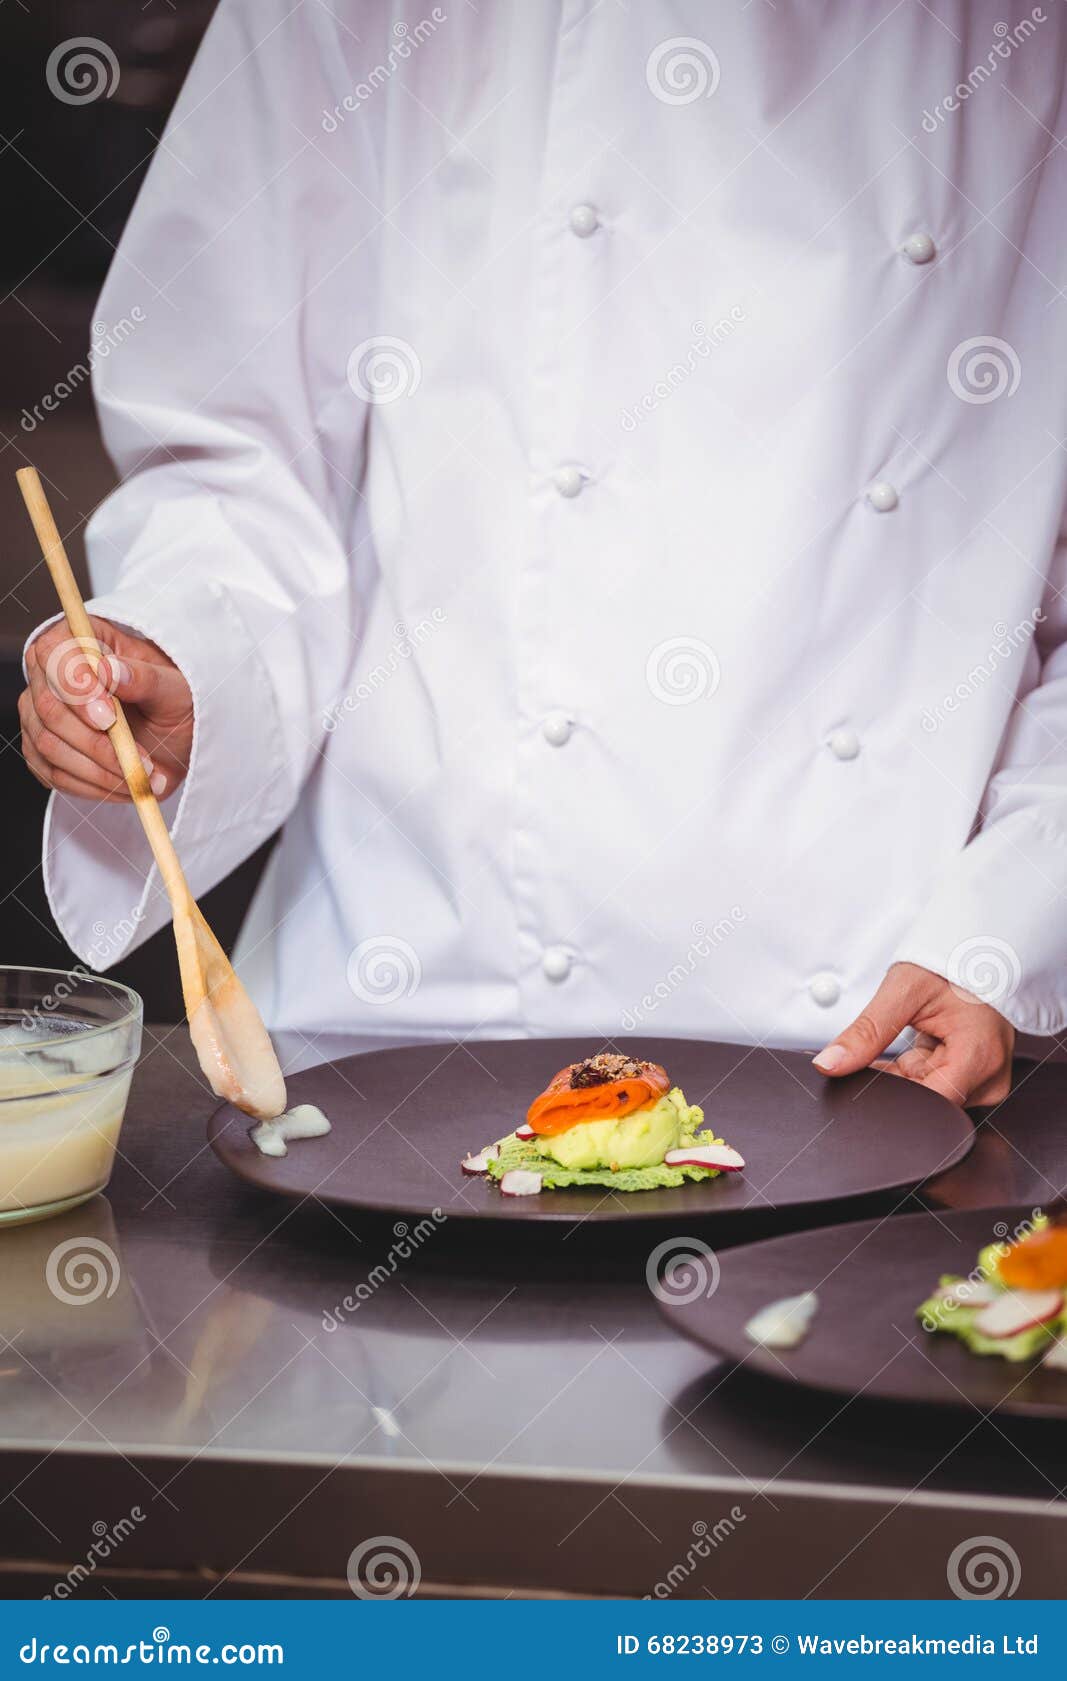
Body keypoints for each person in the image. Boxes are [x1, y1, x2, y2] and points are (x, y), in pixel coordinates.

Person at [20, 1, 1067, 1106]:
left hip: (879, 1038)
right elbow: (240, 449)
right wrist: (189, 664)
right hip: (416, 1002)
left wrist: (1003, 926)